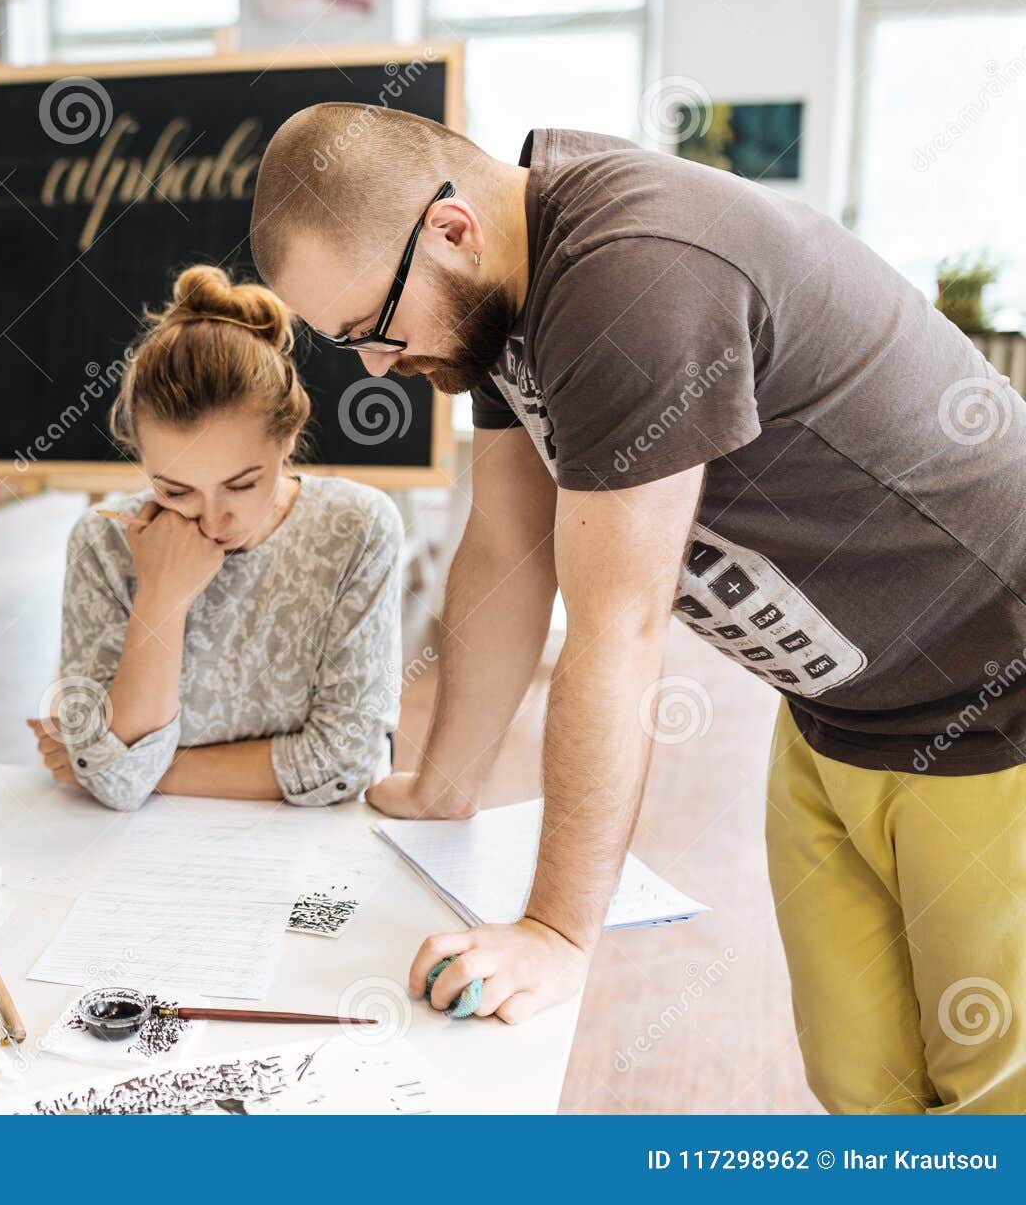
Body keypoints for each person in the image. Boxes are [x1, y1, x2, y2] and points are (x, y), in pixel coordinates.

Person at [249, 105, 1026, 1114]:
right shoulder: (500, 295)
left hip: (991, 693)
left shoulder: (633, 275)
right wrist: (444, 783)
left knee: (989, 1104)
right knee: (862, 1085)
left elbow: (616, 629)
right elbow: (506, 548)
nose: (377, 367)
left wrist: (559, 931)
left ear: (449, 231)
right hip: (842, 708)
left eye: (372, 331)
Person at [30, 264, 403, 812]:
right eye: (176, 491)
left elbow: (345, 762)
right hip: (140, 857)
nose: (212, 521)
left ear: (289, 439)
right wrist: (161, 595)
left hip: (314, 853)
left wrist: (134, 764)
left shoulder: (358, 527)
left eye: (242, 484)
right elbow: (112, 786)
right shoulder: (103, 544)